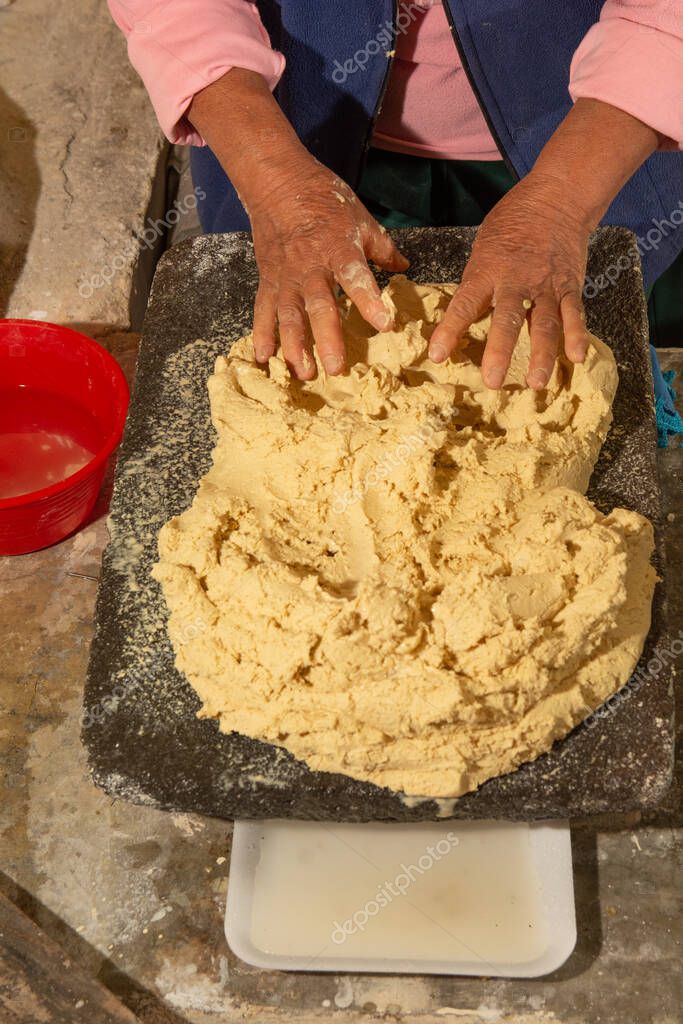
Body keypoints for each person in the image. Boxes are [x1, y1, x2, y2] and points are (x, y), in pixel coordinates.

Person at [109, 0, 683, 393]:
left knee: (600, 339)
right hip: (283, 129)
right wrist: (273, 176)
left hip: (602, 131)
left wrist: (562, 201)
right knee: (293, 336)